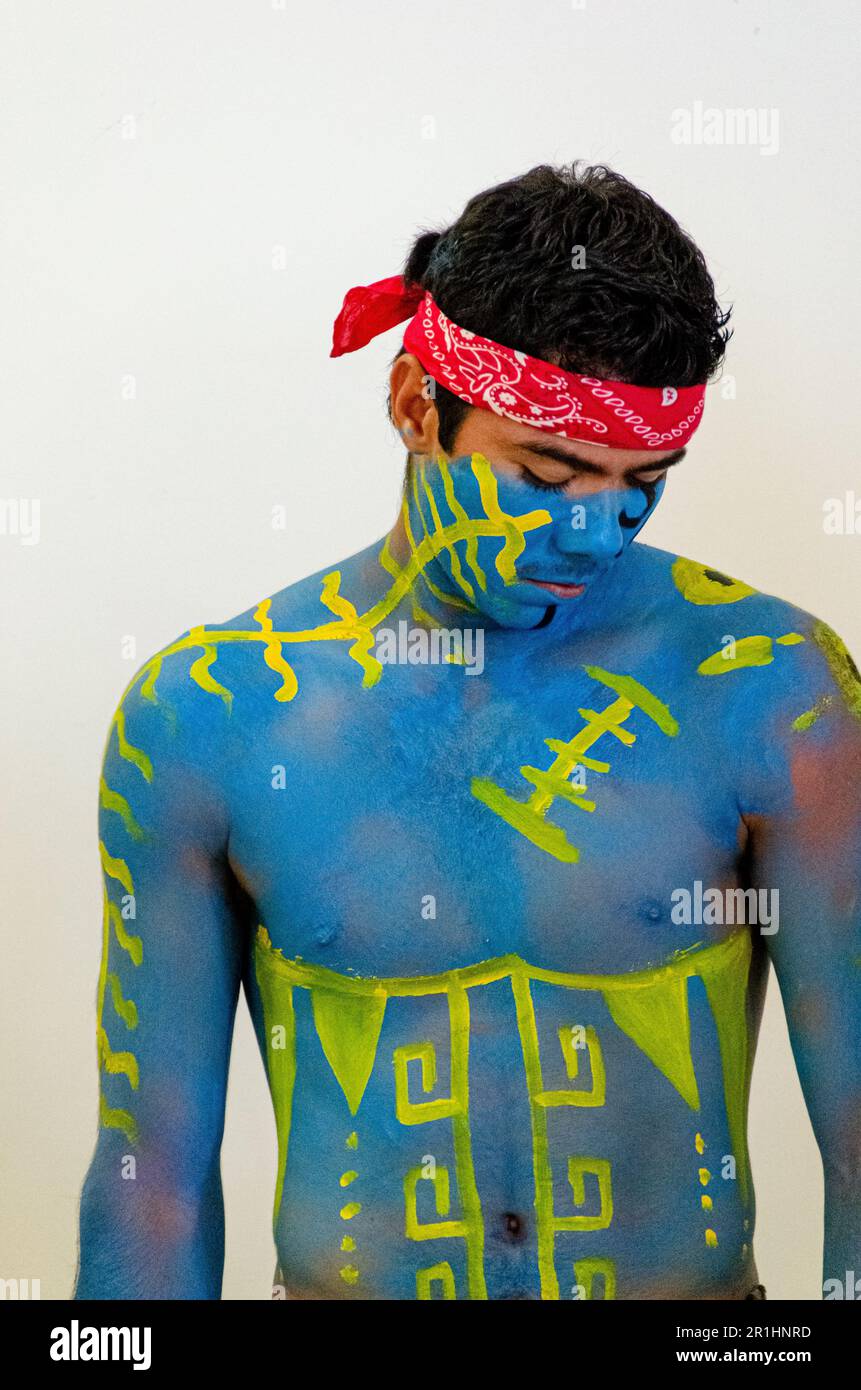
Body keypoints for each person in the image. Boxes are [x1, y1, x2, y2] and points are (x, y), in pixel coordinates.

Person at [76, 163, 860, 1301]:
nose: (597, 532)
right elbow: (152, 1180)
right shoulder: (208, 714)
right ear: (412, 405)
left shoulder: (772, 690)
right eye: (549, 474)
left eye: (643, 484)